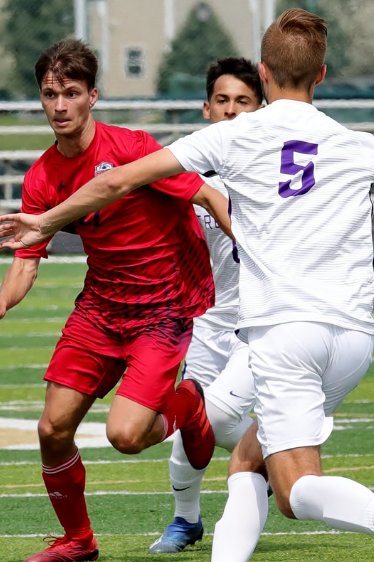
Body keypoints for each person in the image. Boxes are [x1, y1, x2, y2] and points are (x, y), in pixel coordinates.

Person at [0, 10, 374, 562]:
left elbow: (116, 179)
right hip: (354, 341)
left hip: (283, 337)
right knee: (246, 463)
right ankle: (173, 517)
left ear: (262, 74)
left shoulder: (234, 137)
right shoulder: (359, 144)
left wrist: (45, 222)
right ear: (323, 74)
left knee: (296, 492)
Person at [0, 38, 233, 562]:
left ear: (93, 96)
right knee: (52, 428)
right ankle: (78, 541)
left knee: (126, 436)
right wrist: (1, 302)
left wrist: (256, 249)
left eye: (71, 93)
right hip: (101, 308)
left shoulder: (132, 149)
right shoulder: (43, 175)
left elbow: (206, 193)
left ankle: (191, 404)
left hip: (164, 308)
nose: (60, 106)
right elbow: (27, 256)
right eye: (50, 95)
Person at [148, 57, 264, 555]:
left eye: (244, 101)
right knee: (188, 424)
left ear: (261, 108)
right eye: (223, 101)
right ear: (206, 108)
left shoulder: (277, 167)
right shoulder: (186, 170)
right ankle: (187, 520)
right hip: (205, 324)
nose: (232, 111)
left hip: (262, 326)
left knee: (209, 419)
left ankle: (274, 460)